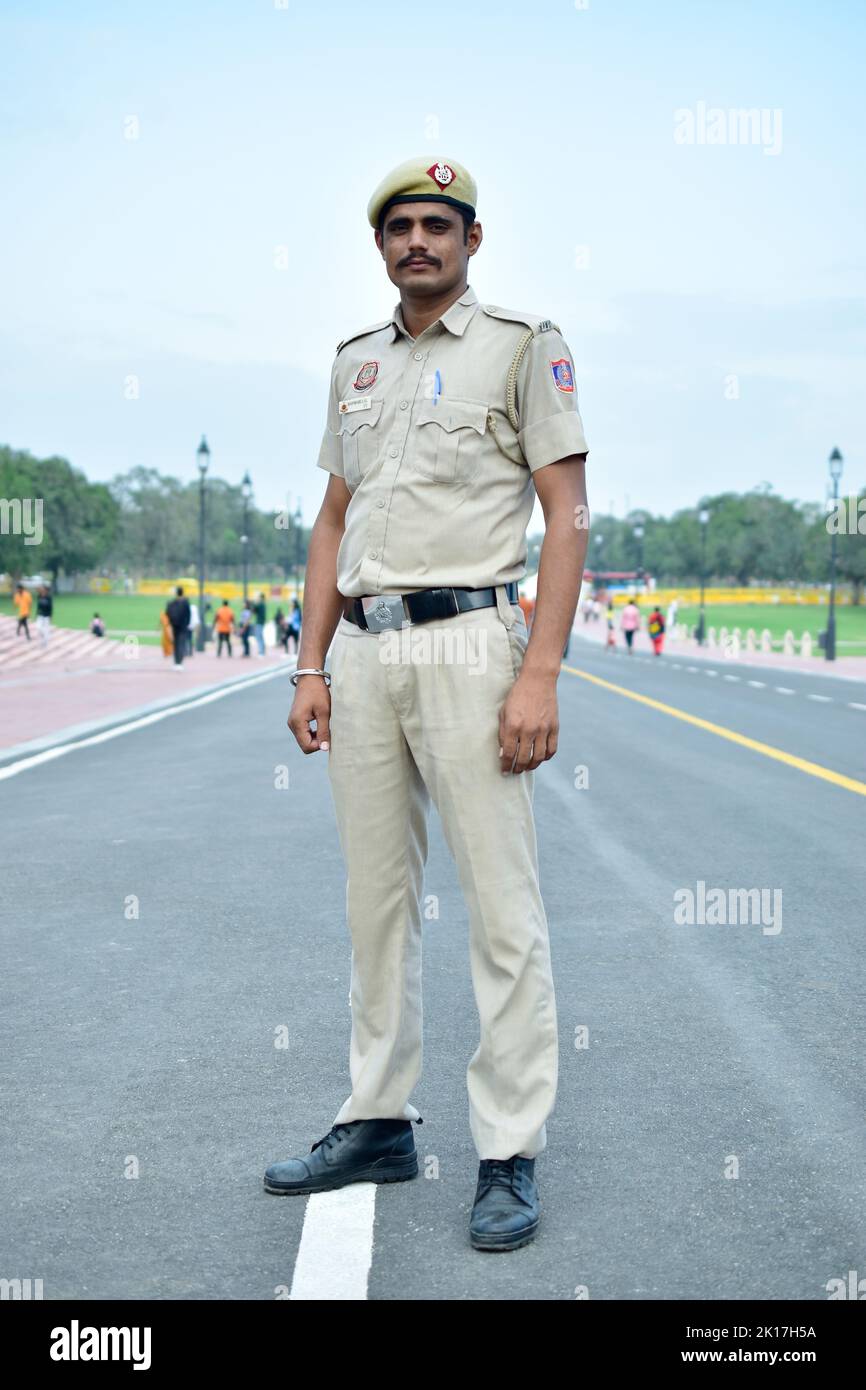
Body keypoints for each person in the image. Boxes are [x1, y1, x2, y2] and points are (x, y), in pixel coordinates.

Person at [264, 155, 590, 1254]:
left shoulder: (520, 345)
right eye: (400, 225)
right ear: (380, 245)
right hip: (360, 655)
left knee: (500, 909)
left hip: (469, 646)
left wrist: (537, 671)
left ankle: (506, 1149)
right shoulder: (354, 365)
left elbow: (566, 511)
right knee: (376, 904)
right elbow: (328, 520)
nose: (417, 240)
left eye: (437, 225)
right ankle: (376, 1117)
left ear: (471, 240)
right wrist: (308, 665)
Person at [165, 585, 191, 668]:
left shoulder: (172, 603)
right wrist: (187, 624)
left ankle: (176, 662)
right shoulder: (185, 603)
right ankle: (180, 662)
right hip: (183, 627)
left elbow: (167, 614)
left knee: (175, 644)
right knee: (181, 644)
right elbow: (188, 615)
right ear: (182, 593)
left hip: (174, 626)